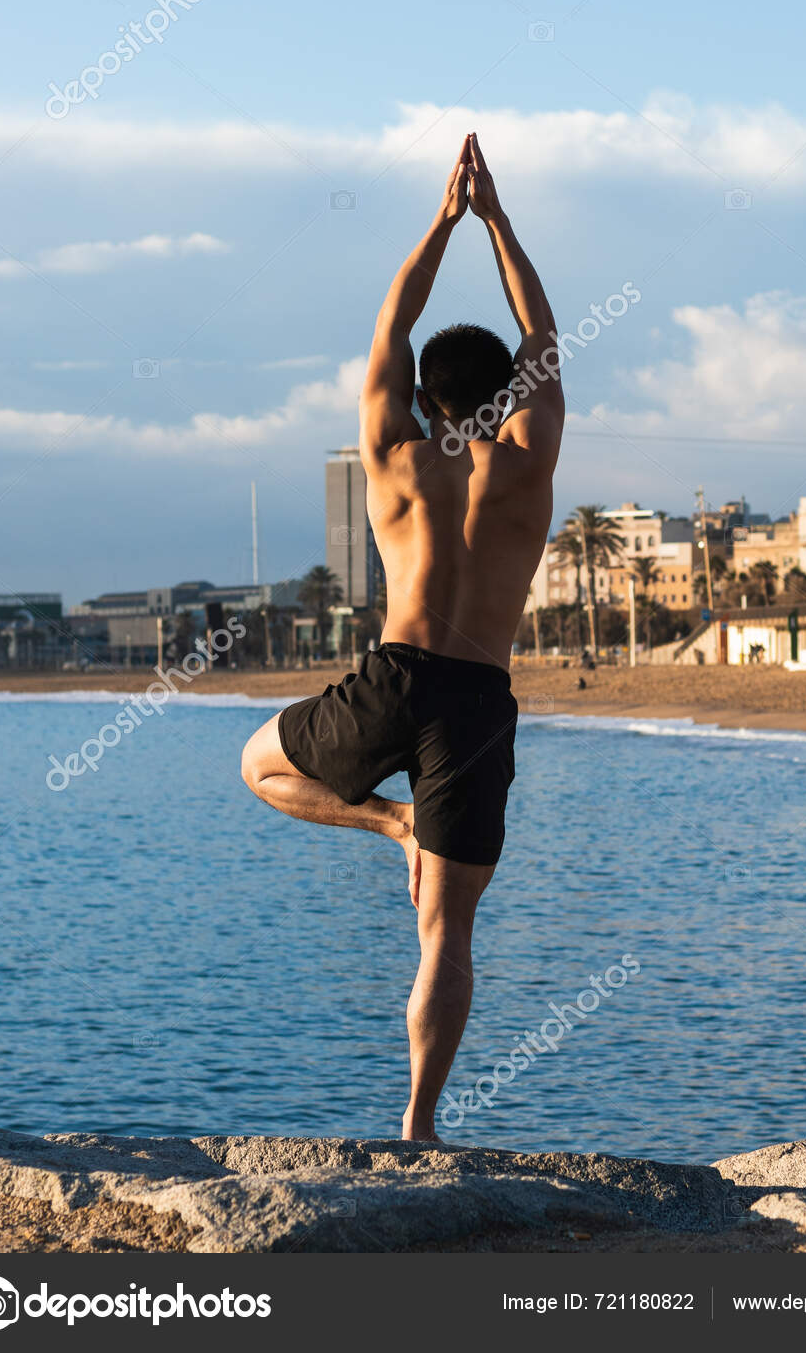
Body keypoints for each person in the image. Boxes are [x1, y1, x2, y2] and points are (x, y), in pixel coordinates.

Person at [241, 133, 563, 1142]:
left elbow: (393, 319)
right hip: (475, 696)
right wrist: (499, 219)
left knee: (260, 768)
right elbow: (542, 335)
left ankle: (388, 826)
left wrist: (443, 217)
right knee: (447, 933)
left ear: (426, 399)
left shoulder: (392, 455)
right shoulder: (527, 461)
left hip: (393, 676)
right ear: (509, 393)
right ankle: (418, 1126)